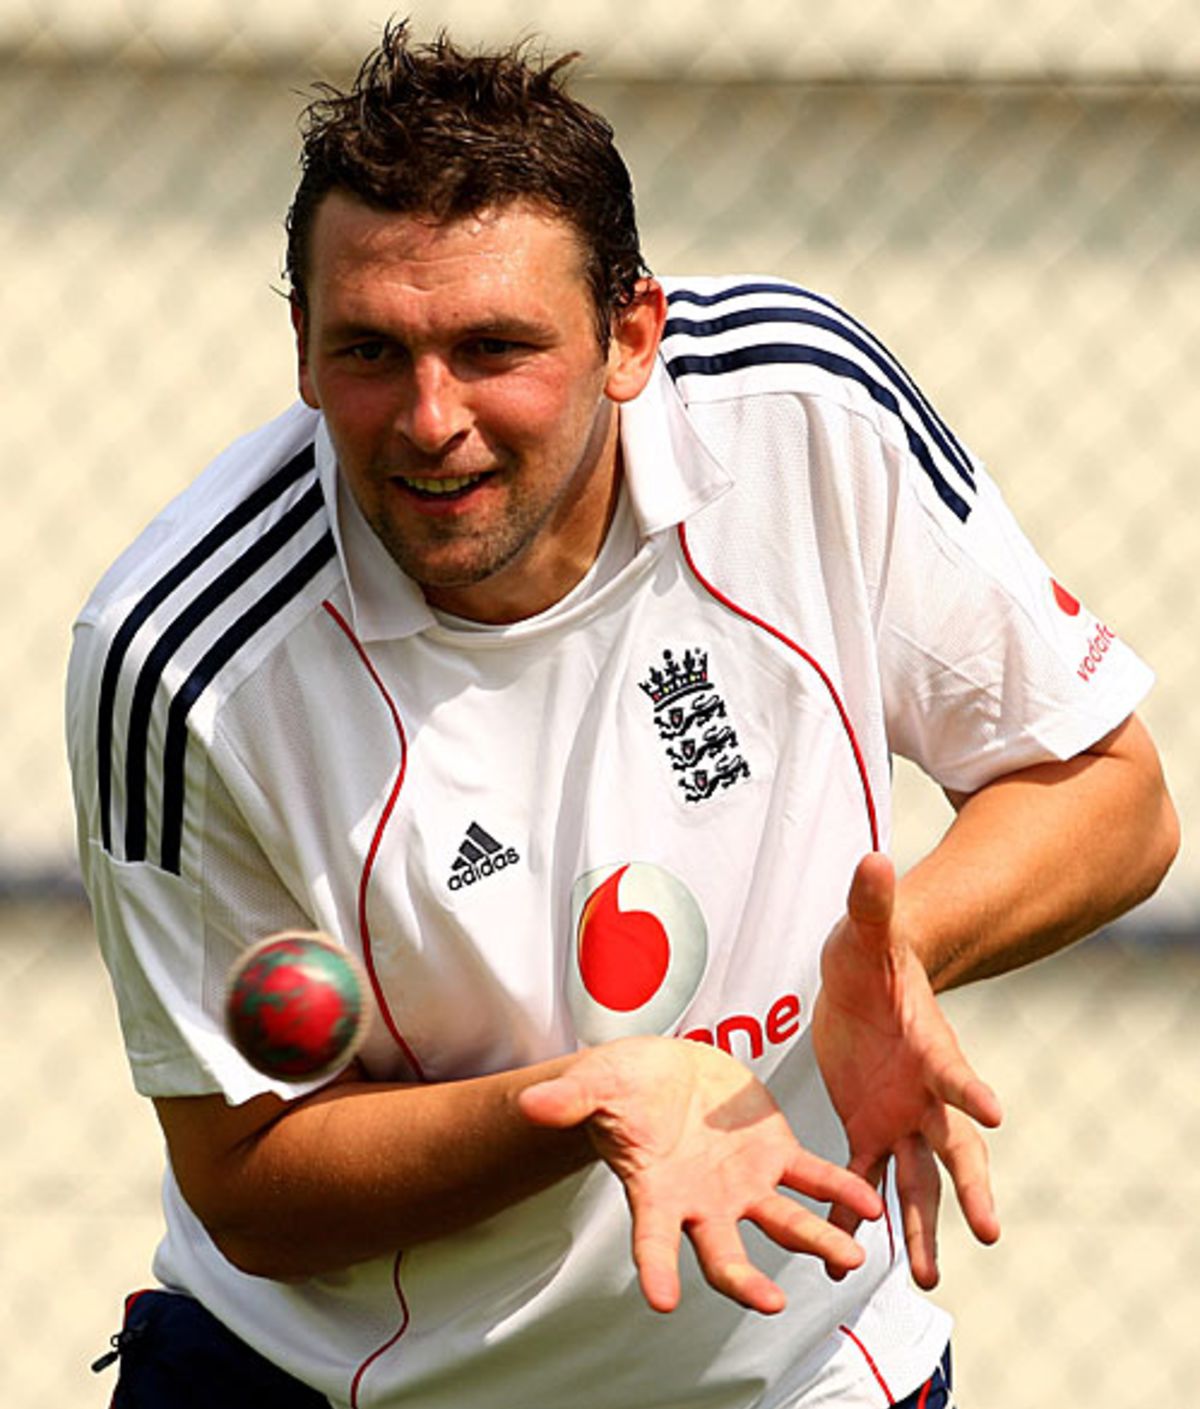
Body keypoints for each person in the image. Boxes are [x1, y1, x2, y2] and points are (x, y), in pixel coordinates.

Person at [68, 20, 1178, 1409]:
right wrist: (586, 1102)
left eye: (493, 347)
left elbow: (1112, 790)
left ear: (630, 334)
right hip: (333, 1386)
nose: (429, 418)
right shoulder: (179, 651)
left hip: (801, 1376)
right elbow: (252, 1187)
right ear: (298, 344)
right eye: (369, 348)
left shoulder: (802, 411)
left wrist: (899, 951)